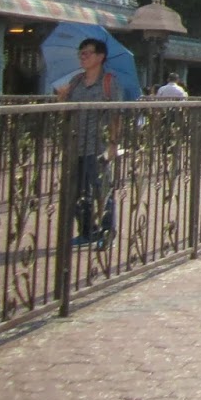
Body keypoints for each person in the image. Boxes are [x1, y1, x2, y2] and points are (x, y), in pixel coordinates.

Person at [55, 37, 122, 247]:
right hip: (76, 145)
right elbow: (65, 112)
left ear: (100, 57)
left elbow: (116, 114)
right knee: (76, 191)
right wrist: (62, 98)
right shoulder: (75, 81)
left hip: (98, 145)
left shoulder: (109, 82)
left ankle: (106, 232)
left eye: (87, 53)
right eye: (81, 53)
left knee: (101, 190)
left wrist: (113, 143)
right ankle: (86, 231)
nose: (83, 57)